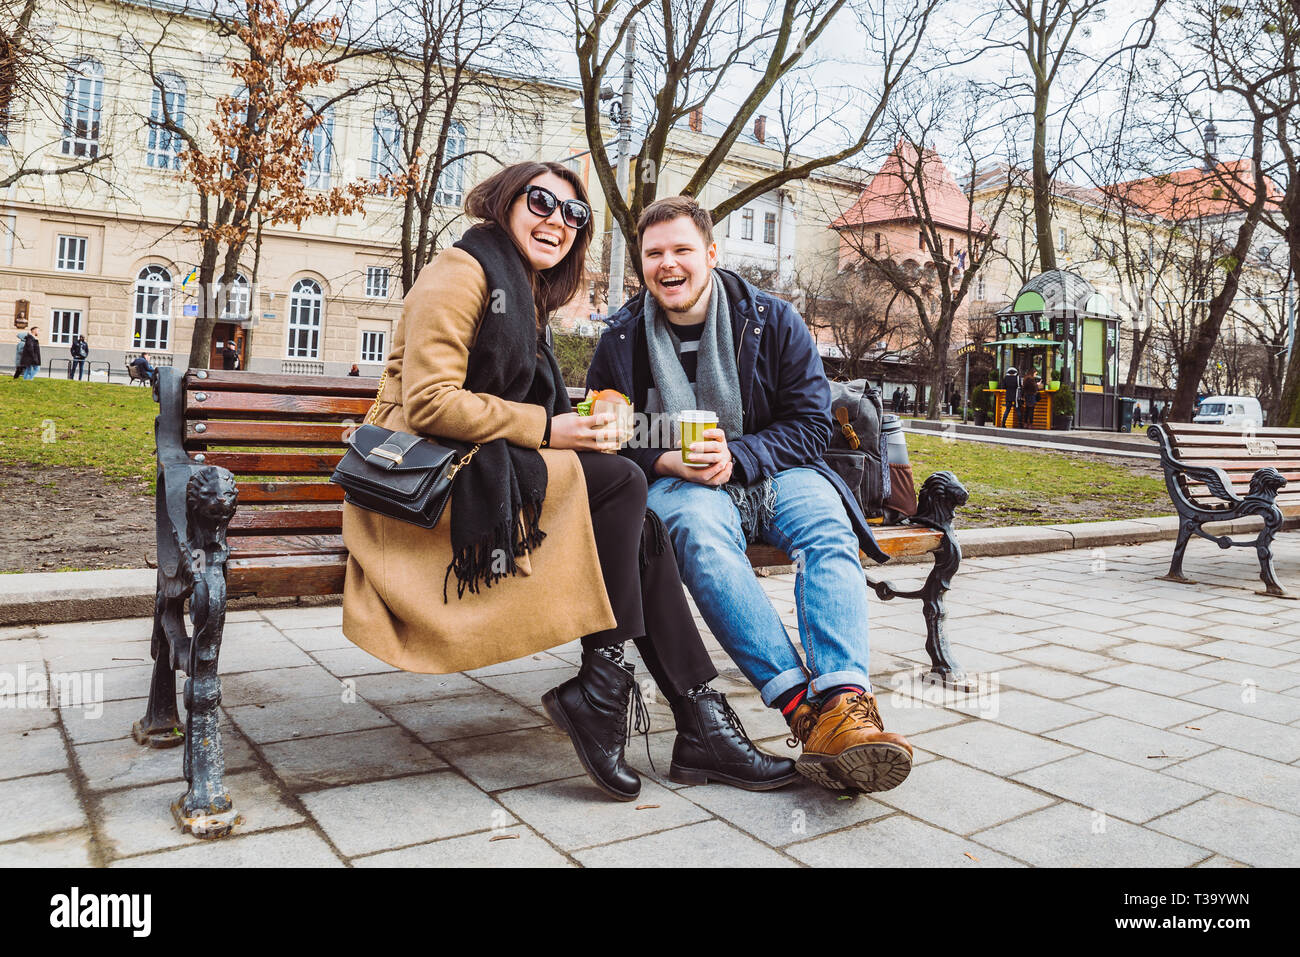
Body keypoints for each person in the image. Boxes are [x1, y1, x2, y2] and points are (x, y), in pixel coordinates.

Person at [340, 163, 792, 802]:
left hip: (478, 467)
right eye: (543, 202)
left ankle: (688, 720)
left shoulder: (521, 287)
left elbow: (516, 398)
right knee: (621, 489)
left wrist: (595, 413)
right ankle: (630, 696)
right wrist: (553, 431)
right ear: (505, 203)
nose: (559, 220)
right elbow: (431, 405)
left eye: (574, 214)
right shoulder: (462, 272)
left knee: (640, 522)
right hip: (420, 486)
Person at [586, 195, 914, 794]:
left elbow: (812, 424)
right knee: (696, 537)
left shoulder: (771, 318)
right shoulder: (622, 339)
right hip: (681, 483)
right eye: (654, 253)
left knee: (826, 529)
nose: (669, 264)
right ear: (641, 263)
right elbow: (602, 437)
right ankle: (806, 714)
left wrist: (740, 455)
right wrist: (661, 456)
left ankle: (844, 699)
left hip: (778, 473)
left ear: (710, 253)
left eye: (682, 249)